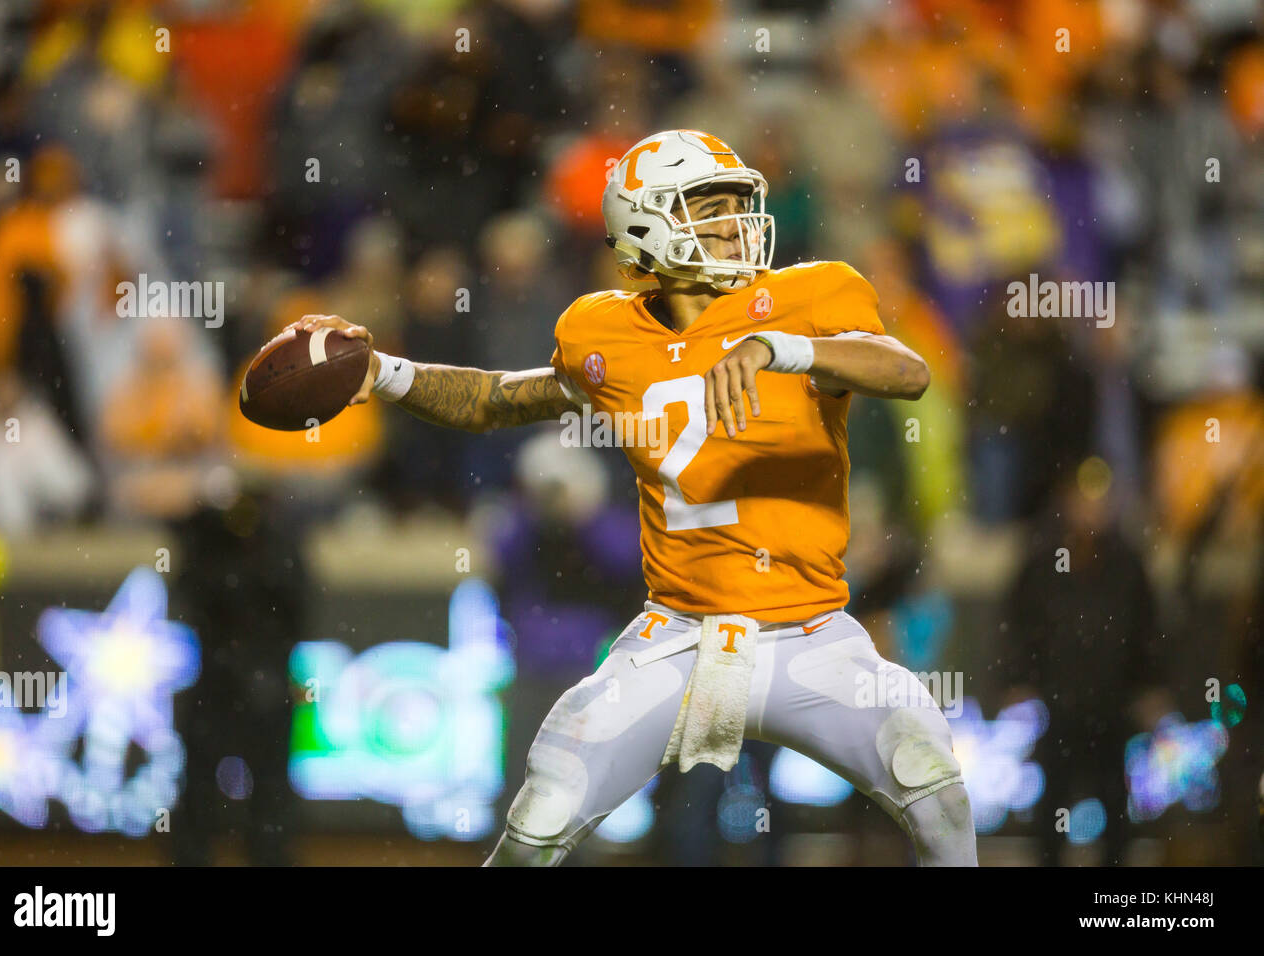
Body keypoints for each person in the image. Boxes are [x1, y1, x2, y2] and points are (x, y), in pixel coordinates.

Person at [276, 130, 977, 866]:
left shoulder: (806, 301)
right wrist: (382, 372)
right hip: (676, 639)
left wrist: (780, 348)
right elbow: (495, 398)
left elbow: (906, 371)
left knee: (932, 780)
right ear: (649, 225)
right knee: (542, 809)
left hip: (810, 634)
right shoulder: (604, 335)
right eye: (712, 208)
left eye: (741, 207)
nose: (738, 225)